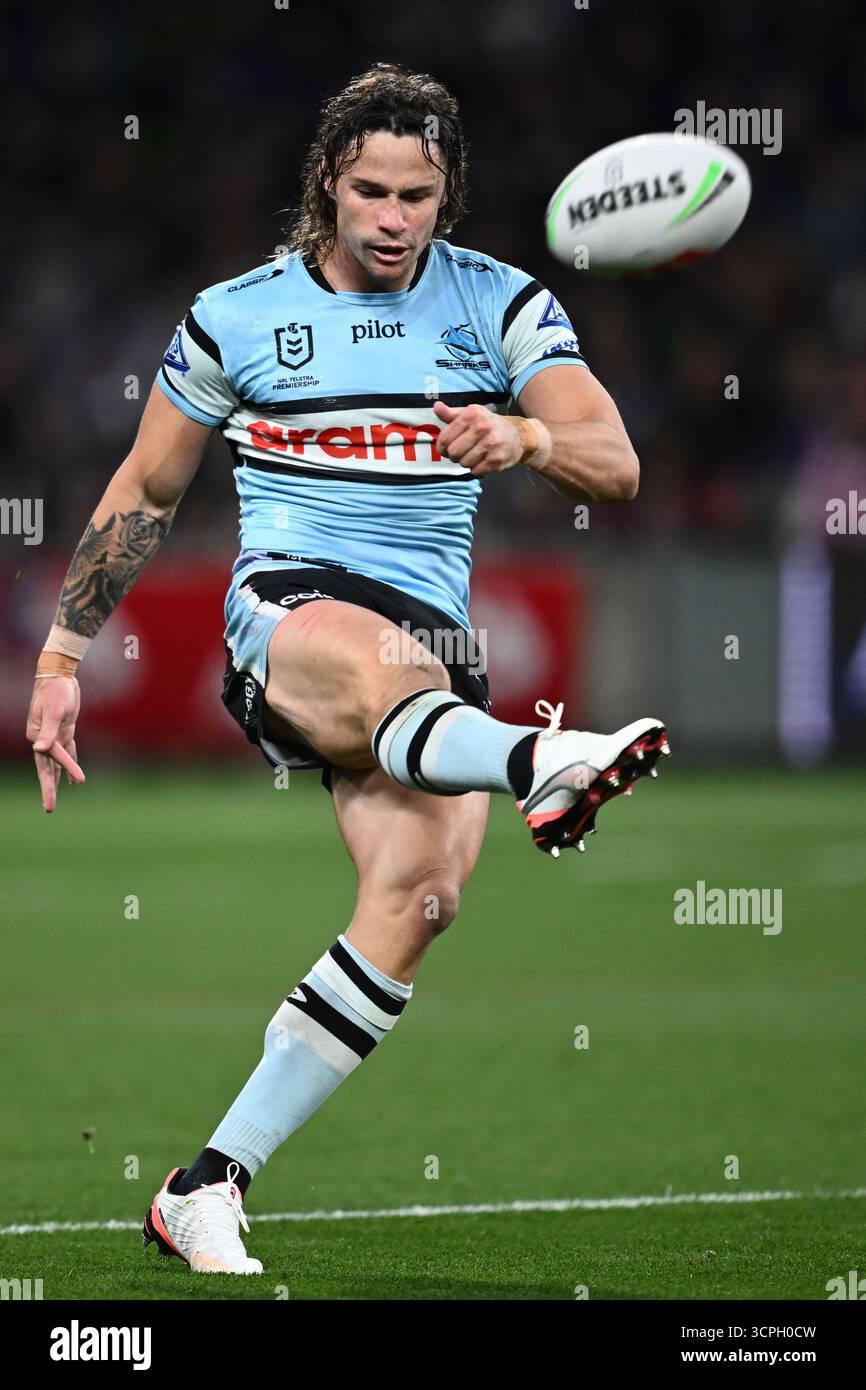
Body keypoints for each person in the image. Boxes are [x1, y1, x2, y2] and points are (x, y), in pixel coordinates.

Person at [26, 63, 669, 1275]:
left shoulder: (500, 305)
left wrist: (524, 435)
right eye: (368, 189)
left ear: (447, 194)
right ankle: (548, 756)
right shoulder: (234, 315)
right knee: (383, 678)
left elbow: (612, 461)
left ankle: (203, 1186)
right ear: (326, 183)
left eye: (416, 195)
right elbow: (147, 490)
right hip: (291, 616)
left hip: (427, 650)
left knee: (419, 897)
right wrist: (65, 651)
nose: (390, 216)